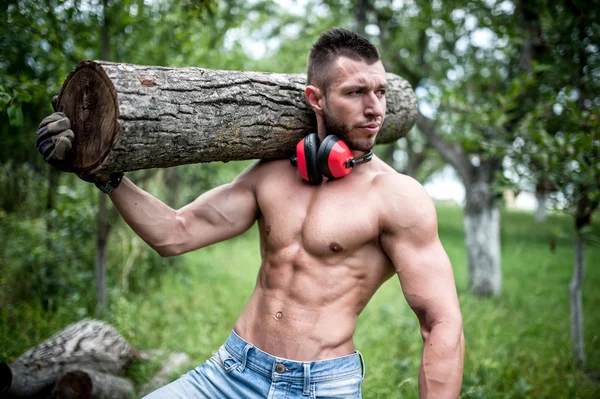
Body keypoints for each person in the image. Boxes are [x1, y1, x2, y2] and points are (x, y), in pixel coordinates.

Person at [36, 28, 464, 399]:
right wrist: (103, 174)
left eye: (381, 92)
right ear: (315, 98)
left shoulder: (398, 198)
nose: (375, 110)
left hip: (318, 386)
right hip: (230, 371)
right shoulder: (273, 175)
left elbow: (441, 322)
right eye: (356, 93)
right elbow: (176, 232)